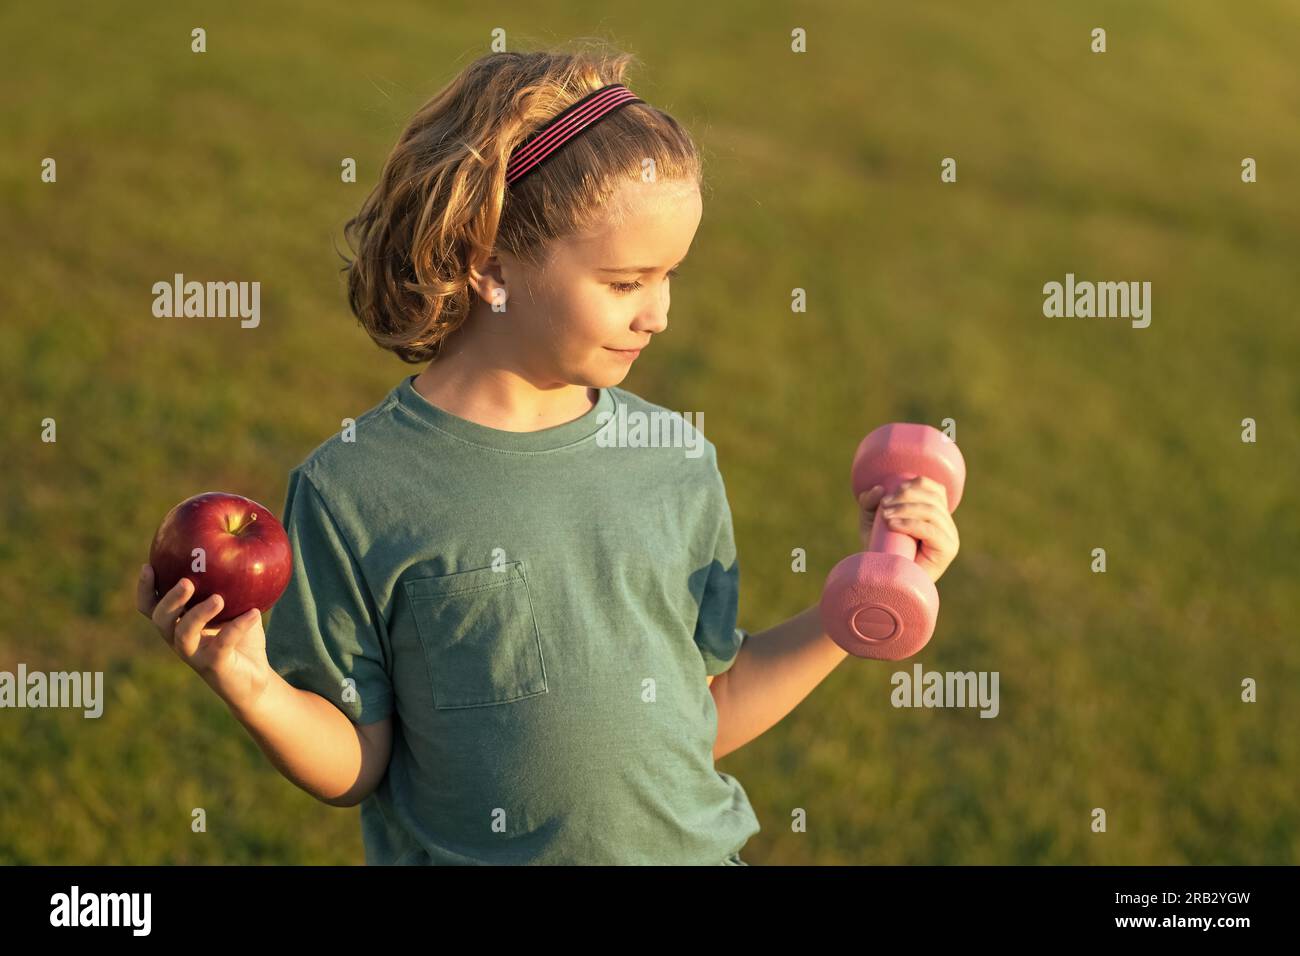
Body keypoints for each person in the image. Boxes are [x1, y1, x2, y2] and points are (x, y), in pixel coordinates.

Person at [136, 45, 960, 865]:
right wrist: (250, 684)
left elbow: (703, 709)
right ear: (491, 265)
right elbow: (360, 760)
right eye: (626, 281)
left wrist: (870, 601)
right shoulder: (355, 488)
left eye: (671, 275)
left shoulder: (675, 458)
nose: (659, 315)